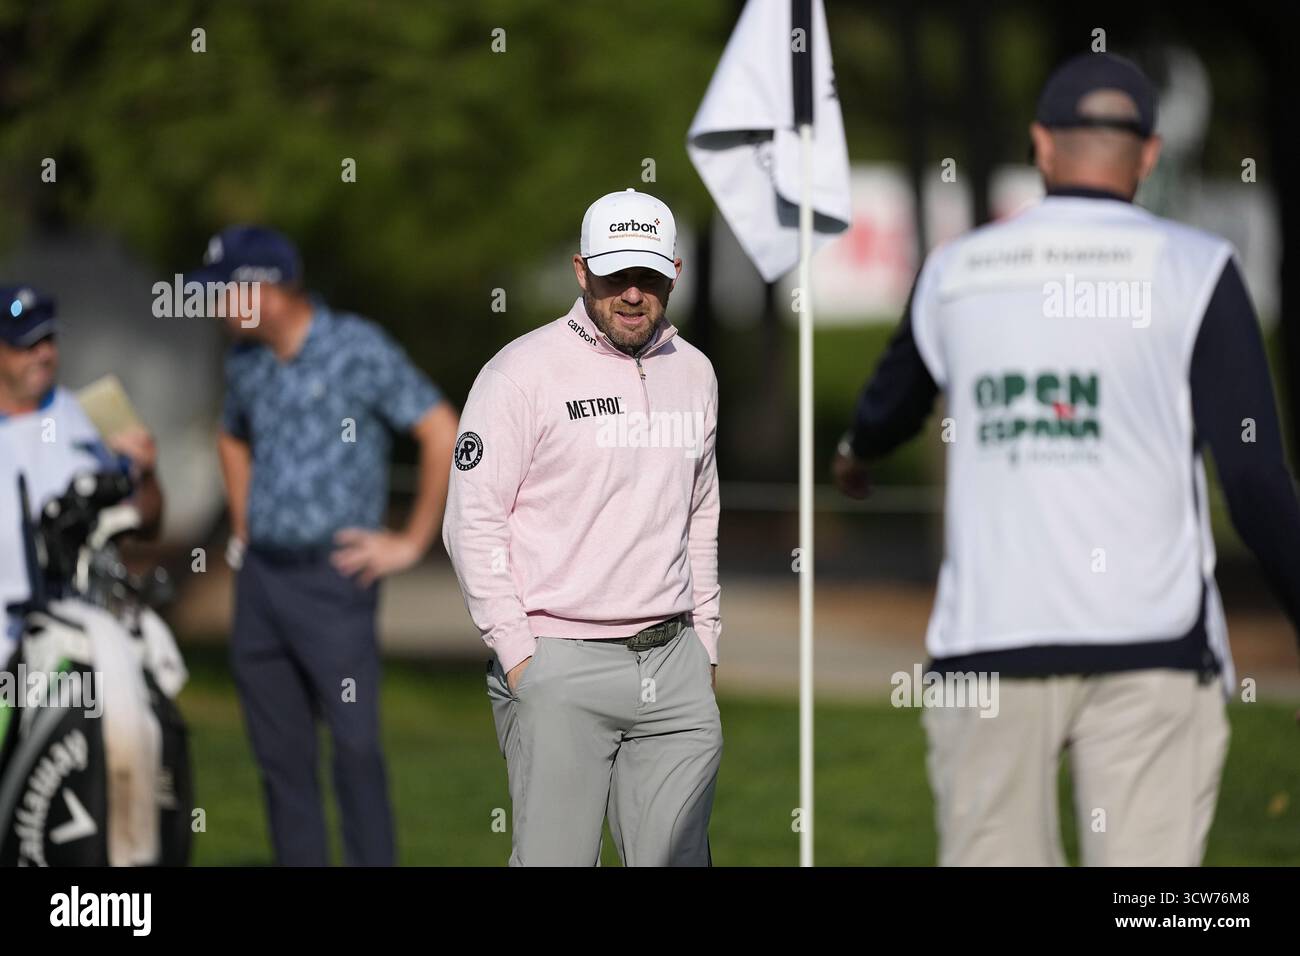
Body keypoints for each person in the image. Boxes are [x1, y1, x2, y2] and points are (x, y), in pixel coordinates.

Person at [833, 53, 1300, 866]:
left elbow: (894, 396)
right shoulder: (1199, 269)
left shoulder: (957, 268)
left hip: (987, 652)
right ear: (1150, 153)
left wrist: (856, 452)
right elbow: (1257, 480)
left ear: (1042, 145)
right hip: (1152, 648)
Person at [443, 188, 722, 866]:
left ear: (673, 274)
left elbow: (700, 512)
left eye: (649, 275)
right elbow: (470, 522)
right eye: (614, 274)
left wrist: (706, 642)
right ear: (580, 270)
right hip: (558, 659)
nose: (632, 293)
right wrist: (520, 656)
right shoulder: (519, 373)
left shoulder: (695, 372)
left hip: (674, 663)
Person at [203, 225, 459, 866]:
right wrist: (243, 525)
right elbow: (231, 435)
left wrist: (410, 541)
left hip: (333, 581)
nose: (212, 306)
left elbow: (440, 428)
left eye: (222, 292)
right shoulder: (246, 360)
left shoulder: (356, 347)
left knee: (354, 749)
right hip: (261, 581)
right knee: (280, 759)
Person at [0, 285, 163, 650]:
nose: (42, 355)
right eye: (26, 345)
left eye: (49, 341)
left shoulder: (93, 418)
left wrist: (148, 475)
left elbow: (147, 526)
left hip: (81, 636)